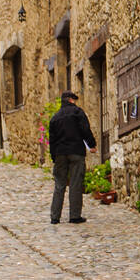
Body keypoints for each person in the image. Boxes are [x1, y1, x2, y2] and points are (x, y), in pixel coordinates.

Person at [49, 90, 97, 225]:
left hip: (59, 153)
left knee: (59, 184)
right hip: (76, 151)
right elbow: (85, 130)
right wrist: (92, 145)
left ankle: (55, 217)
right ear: (71, 100)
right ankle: (74, 216)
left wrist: (54, 157)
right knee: (75, 183)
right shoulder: (77, 112)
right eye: (74, 100)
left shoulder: (55, 117)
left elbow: (52, 140)